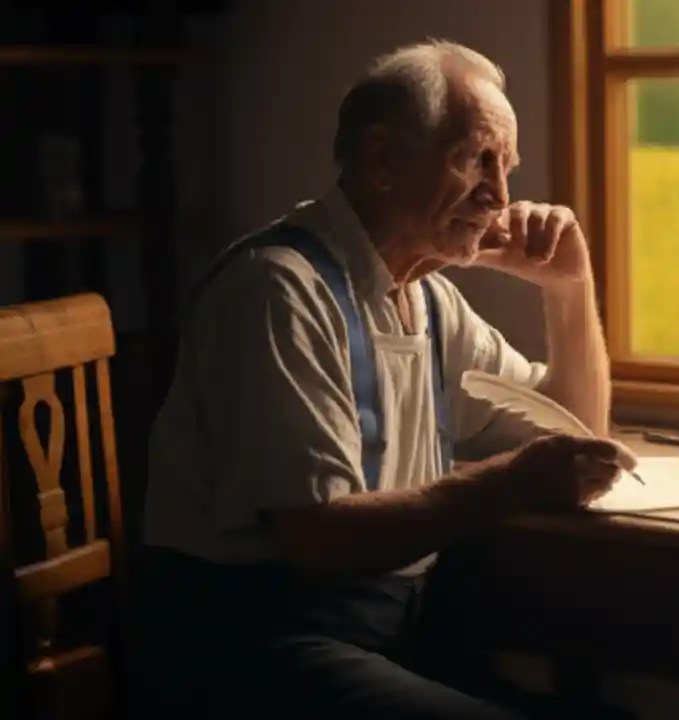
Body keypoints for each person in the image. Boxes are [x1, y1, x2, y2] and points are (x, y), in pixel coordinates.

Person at [135, 40, 637, 719]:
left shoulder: (426, 301)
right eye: (475, 160)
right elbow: (318, 541)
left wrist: (569, 290)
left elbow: (573, 428)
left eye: (506, 167)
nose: (500, 196)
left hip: (389, 631)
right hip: (258, 646)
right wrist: (508, 483)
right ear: (380, 161)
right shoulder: (278, 291)